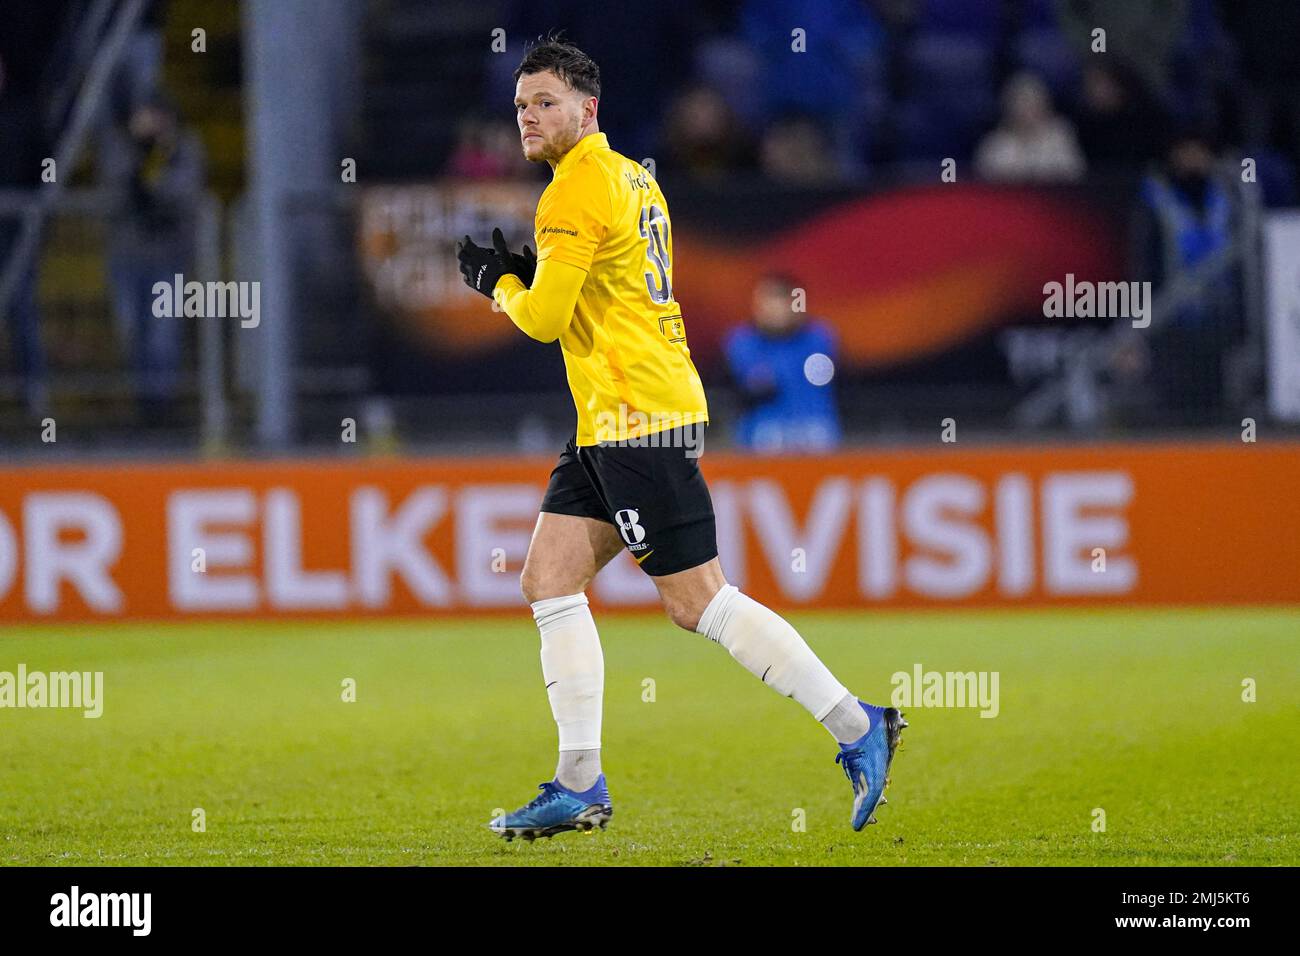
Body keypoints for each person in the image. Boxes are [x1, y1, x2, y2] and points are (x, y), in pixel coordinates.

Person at [455, 37, 905, 841]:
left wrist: (501, 286)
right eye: (520, 104)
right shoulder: (631, 176)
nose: (527, 116)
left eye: (545, 102)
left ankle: (855, 724)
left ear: (587, 109)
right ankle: (579, 783)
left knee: (699, 604)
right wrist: (541, 273)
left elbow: (546, 320)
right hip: (616, 418)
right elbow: (605, 289)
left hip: (638, 423)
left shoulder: (572, 191)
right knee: (548, 578)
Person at [724, 272, 842, 451]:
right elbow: (756, 384)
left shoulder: (819, 337)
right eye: (765, 301)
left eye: (779, 299)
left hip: (817, 436)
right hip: (759, 440)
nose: (771, 308)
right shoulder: (742, 341)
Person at [974, 72, 1085, 183]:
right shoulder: (994, 145)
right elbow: (986, 185)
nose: (1026, 111)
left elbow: (1074, 173)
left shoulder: (1061, 135)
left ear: (1044, 105)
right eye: (1020, 103)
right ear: (1008, 108)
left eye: (1032, 103)